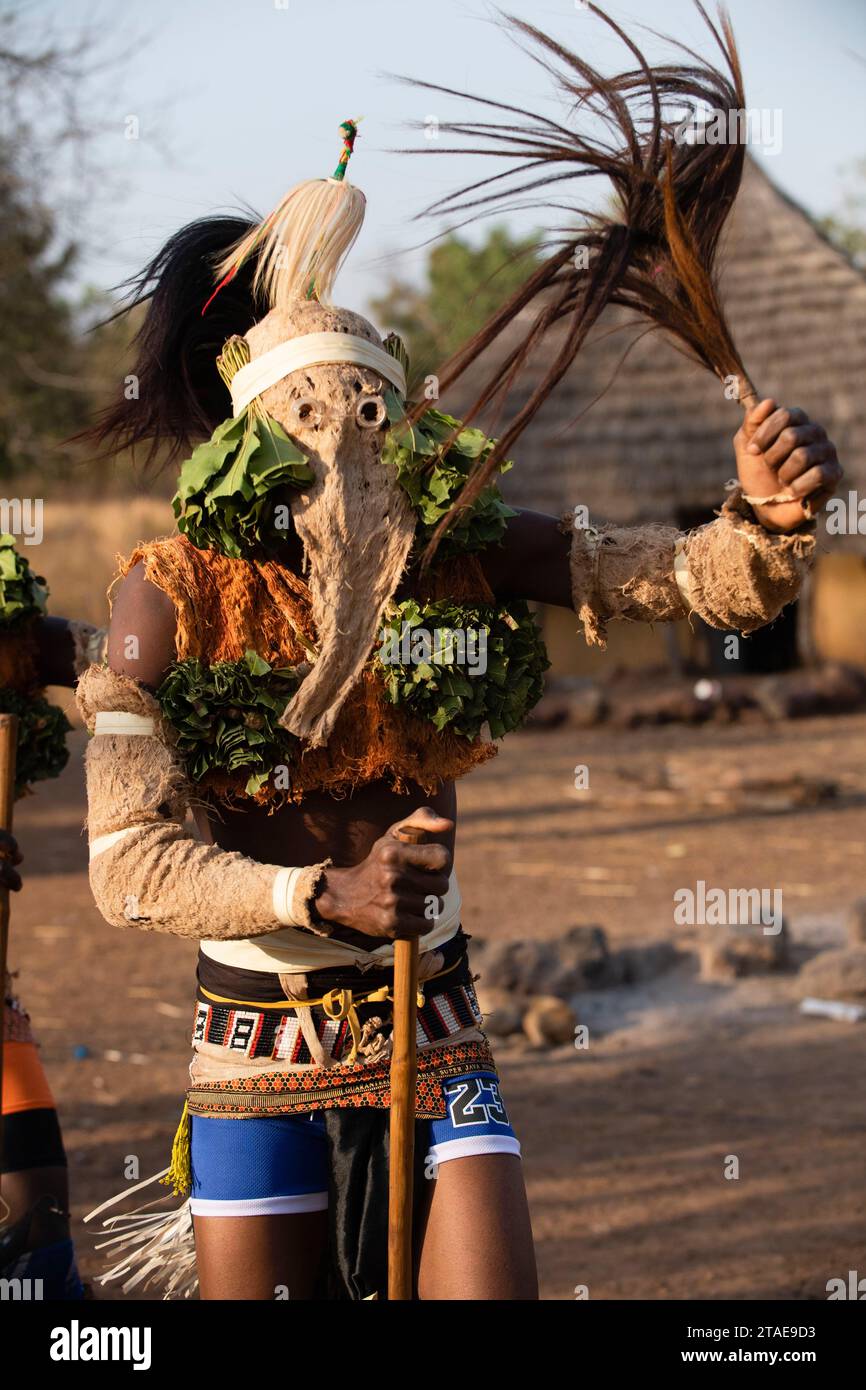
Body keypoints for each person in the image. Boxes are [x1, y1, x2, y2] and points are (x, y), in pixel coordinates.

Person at [75, 114, 840, 1300]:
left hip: (430, 1021)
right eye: (313, 436)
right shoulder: (163, 597)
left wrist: (766, 524)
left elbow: (666, 574)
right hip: (253, 1034)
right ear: (253, 456)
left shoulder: (452, 551)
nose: (350, 472)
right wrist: (318, 894)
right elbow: (127, 861)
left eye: (373, 432)